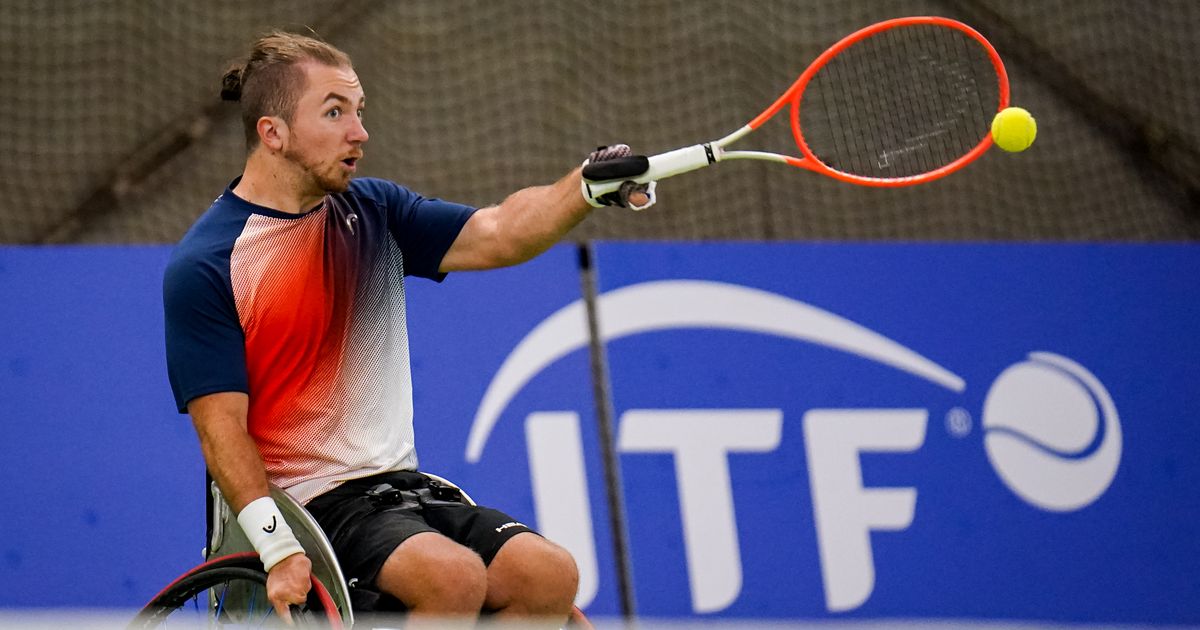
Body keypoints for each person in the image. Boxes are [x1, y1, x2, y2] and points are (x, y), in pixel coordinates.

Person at [163, 31, 653, 626]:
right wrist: (275, 544)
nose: (359, 133)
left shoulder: (375, 211)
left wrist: (581, 189)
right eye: (335, 112)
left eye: (359, 112)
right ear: (274, 133)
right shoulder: (209, 262)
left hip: (401, 493)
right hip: (309, 509)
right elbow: (222, 436)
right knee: (451, 578)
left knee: (547, 574)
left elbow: (499, 232)